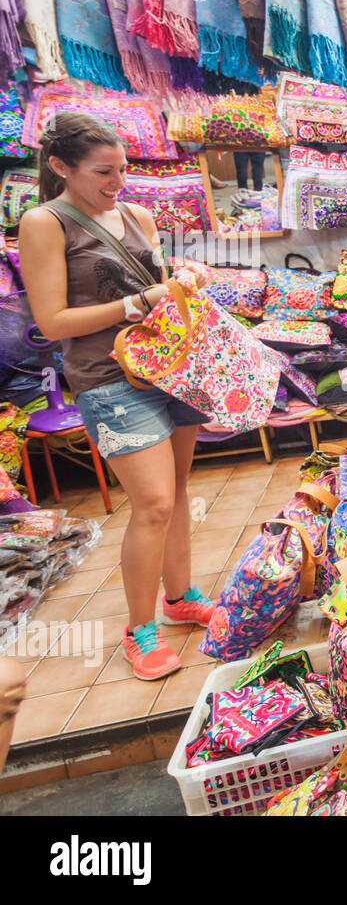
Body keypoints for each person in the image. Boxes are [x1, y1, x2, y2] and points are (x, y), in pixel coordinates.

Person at [18, 112, 214, 682]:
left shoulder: (137, 215)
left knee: (177, 490)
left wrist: (185, 279)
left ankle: (180, 598)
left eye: (123, 169)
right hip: (107, 378)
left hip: (169, 367)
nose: (119, 181)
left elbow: (157, 289)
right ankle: (140, 629)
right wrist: (140, 303)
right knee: (153, 504)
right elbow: (53, 322)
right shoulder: (45, 222)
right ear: (61, 167)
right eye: (104, 172)